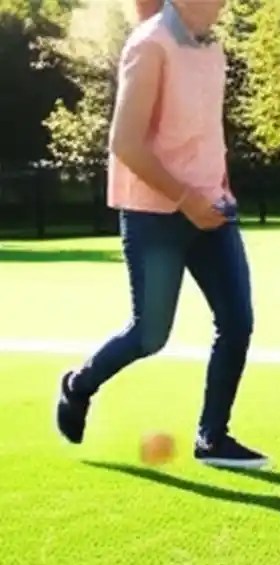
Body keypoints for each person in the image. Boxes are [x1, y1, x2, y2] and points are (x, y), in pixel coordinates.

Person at [54, 0, 268, 469]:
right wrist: (187, 200)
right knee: (149, 335)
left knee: (237, 323)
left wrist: (221, 188)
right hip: (155, 217)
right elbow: (125, 143)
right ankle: (78, 386)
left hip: (212, 211)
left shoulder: (213, 51)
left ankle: (213, 437)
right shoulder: (149, 45)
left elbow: (207, 134)